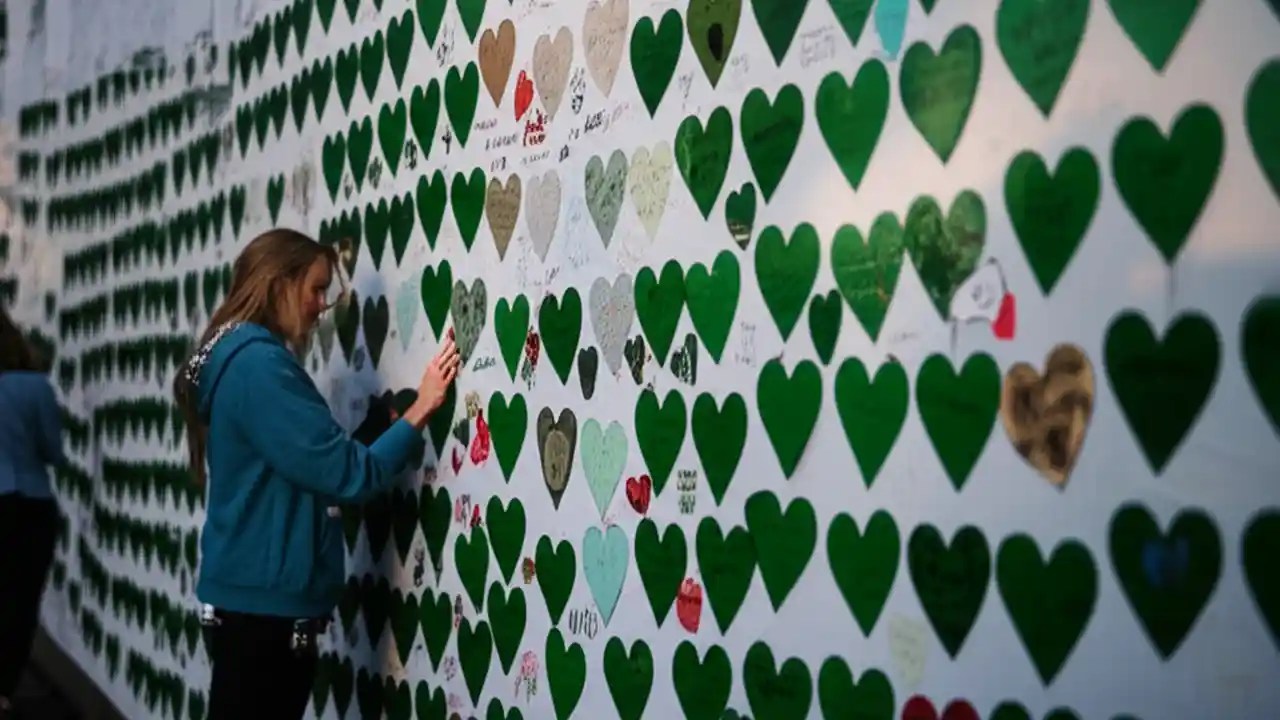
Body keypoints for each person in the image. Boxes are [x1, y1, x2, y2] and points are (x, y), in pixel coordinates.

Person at [172, 229, 459, 720]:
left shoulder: (237, 358)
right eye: (316, 288)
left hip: (251, 605)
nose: (323, 305)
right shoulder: (260, 368)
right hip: (265, 616)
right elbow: (353, 477)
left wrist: (367, 433)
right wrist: (422, 409)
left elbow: (303, 467)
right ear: (278, 284)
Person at [0, 303, 65, 720]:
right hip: (30, 504)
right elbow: (53, 452)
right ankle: (2, 689)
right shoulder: (34, 387)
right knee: (20, 601)